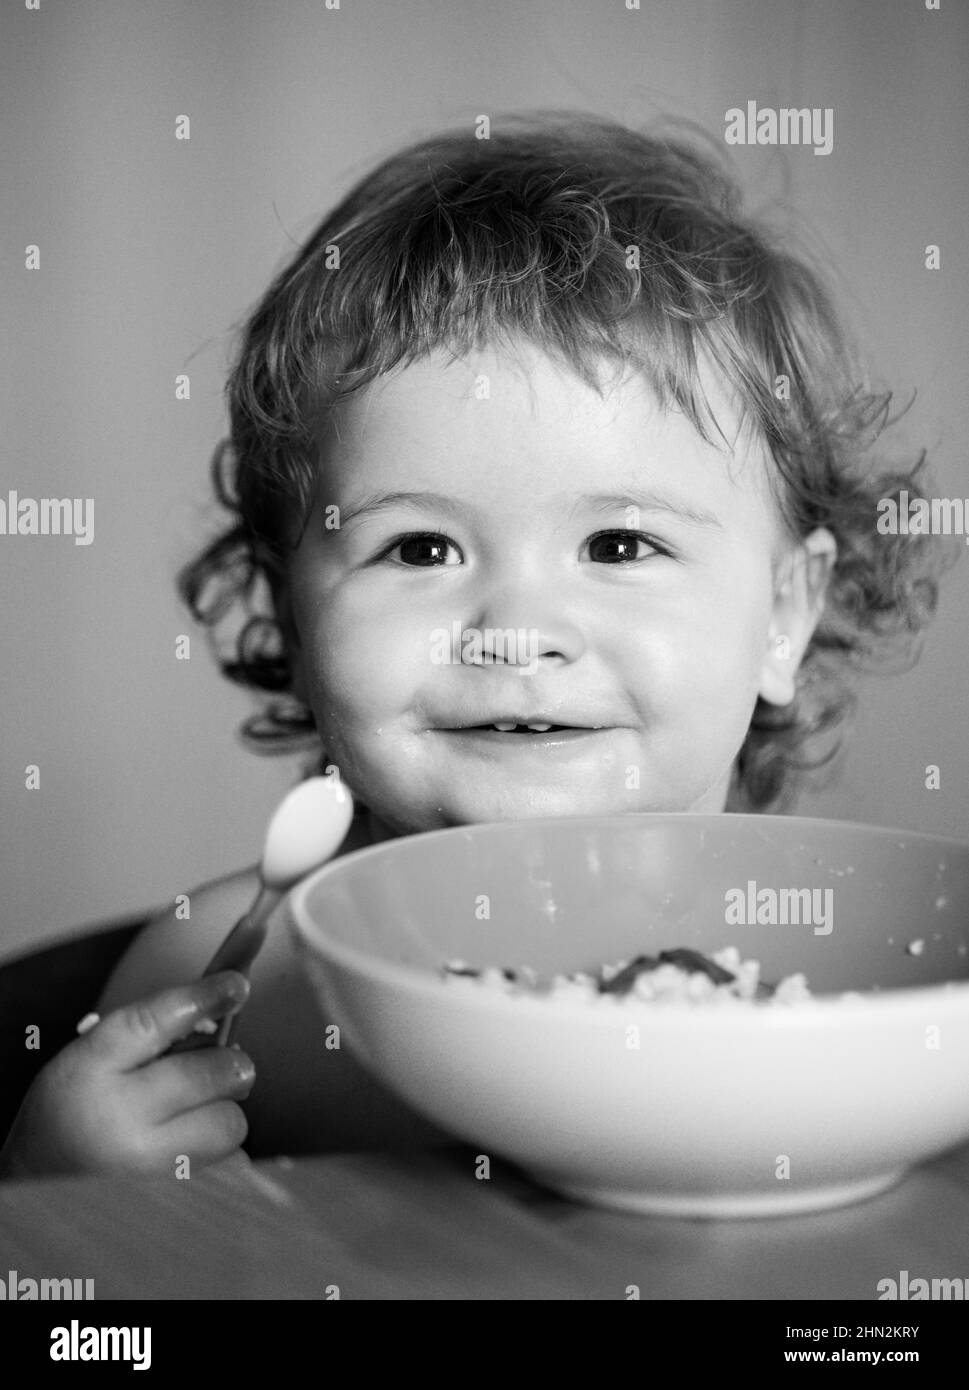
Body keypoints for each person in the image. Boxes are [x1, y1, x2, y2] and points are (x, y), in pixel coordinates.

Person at [0, 112, 949, 1180]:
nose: (517, 633)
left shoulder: (855, 974)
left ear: (787, 610)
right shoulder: (222, 984)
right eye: (419, 547)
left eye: (619, 542)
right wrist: (64, 1187)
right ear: (290, 613)